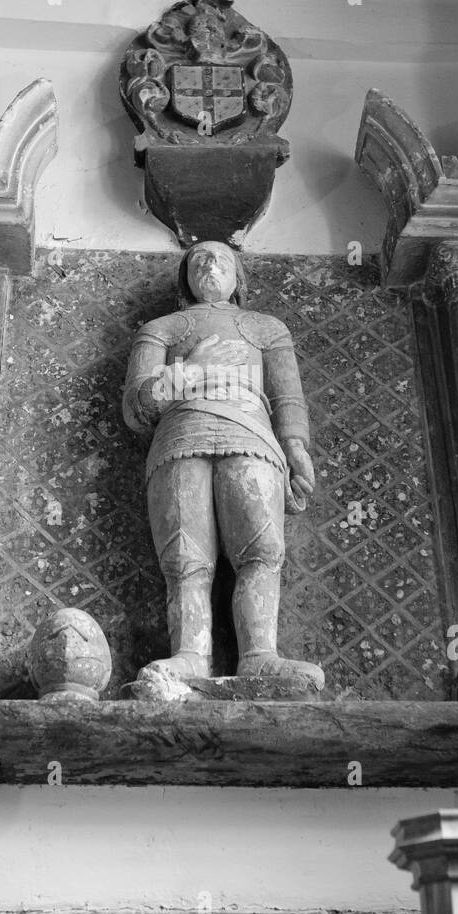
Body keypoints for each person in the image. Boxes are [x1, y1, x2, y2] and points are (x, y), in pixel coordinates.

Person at [123, 240, 324, 694]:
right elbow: (136, 409)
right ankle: (191, 654)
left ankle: (260, 655)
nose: (210, 265)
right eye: (199, 260)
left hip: (250, 436)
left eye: (221, 259)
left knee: (262, 551)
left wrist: (296, 448)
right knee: (185, 559)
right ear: (185, 279)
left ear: (239, 278)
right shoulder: (161, 329)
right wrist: (188, 372)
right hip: (181, 437)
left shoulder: (266, 328)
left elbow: (287, 396)